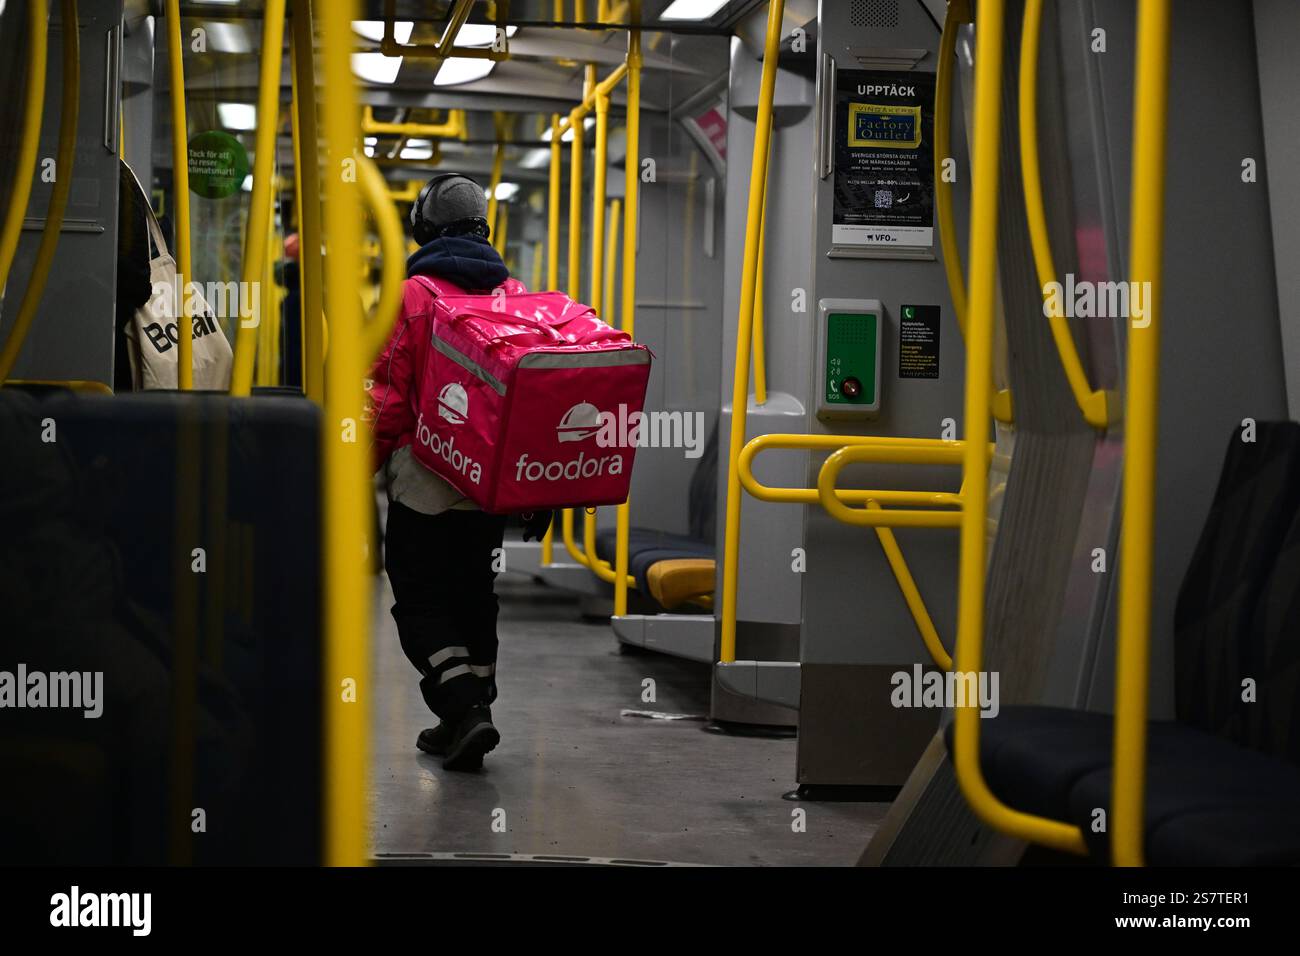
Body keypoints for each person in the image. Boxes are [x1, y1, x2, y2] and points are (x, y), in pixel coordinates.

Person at [367, 173, 551, 771]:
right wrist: (535, 487)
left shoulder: (414, 294)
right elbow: (531, 401)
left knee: (418, 593)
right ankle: (468, 716)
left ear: (422, 227)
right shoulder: (515, 295)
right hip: (489, 482)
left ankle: (462, 705)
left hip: (426, 479)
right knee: (475, 591)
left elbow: (390, 393)